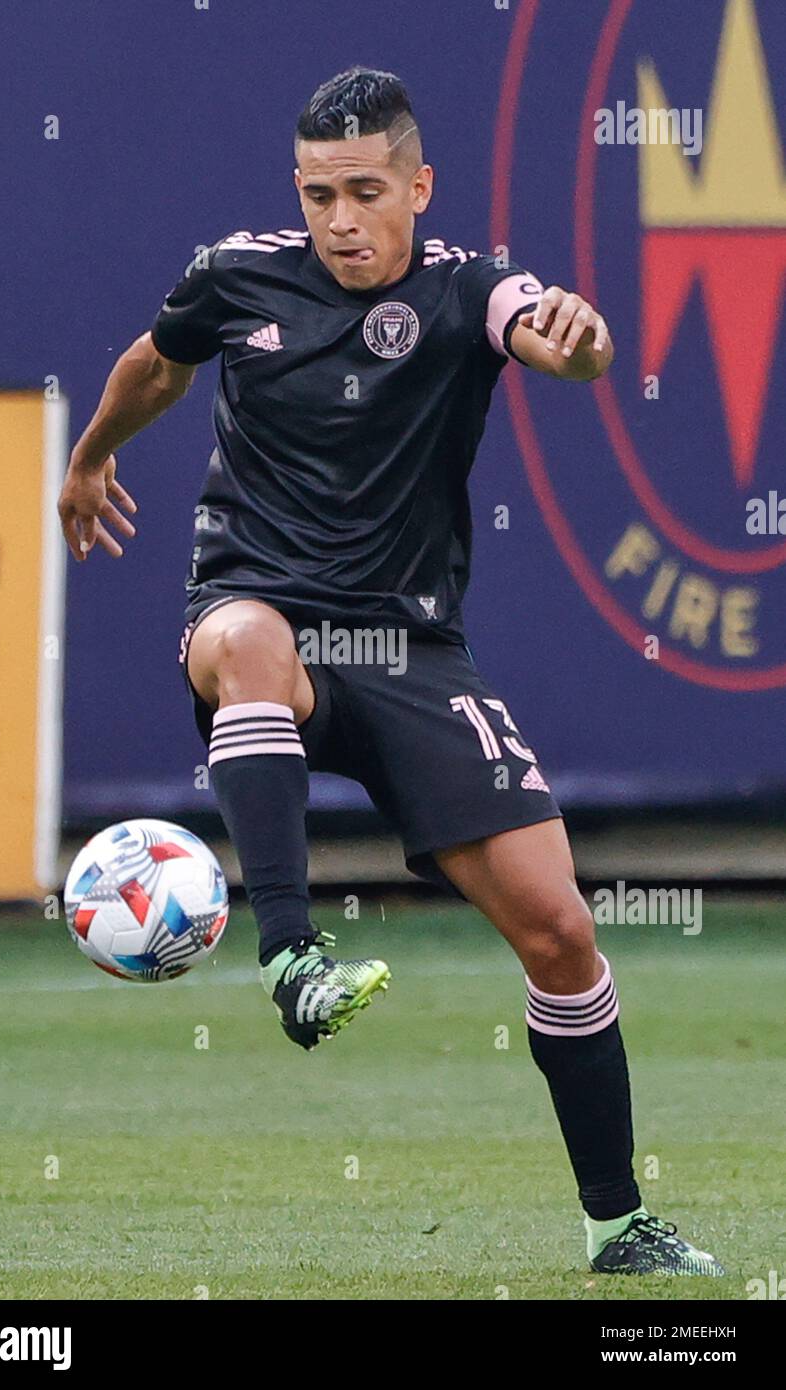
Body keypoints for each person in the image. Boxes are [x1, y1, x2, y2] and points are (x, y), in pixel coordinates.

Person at [58, 66, 723, 1277]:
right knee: (249, 642)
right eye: (319, 194)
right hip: (255, 612)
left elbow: (550, 335)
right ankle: (288, 954)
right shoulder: (236, 273)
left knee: (563, 932)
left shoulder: (468, 286)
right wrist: (90, 458)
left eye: (366, 191)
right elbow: (155, 361)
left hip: (412, 648)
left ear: (418, 186)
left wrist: (580, 339)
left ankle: (617, 1224)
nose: (341, 219)